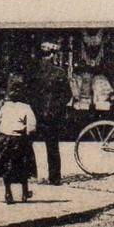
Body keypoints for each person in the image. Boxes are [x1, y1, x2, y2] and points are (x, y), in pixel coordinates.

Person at [0, 78, 38, 204]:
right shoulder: (27, 108)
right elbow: (32, 127)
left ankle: (8, 193)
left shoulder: (4, 108)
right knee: (24, 165)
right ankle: (24, 193)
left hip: (5, 139)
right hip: (20, 139)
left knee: (6, 167)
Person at [34, 41, 73, 185]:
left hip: (40, 113)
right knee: (52, 147)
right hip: (49, 114)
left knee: (30, 145)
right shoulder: (59, 72)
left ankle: (30, 176)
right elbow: (67, 95)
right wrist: (57, 108)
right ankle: (54, 177)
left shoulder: (36, 71)